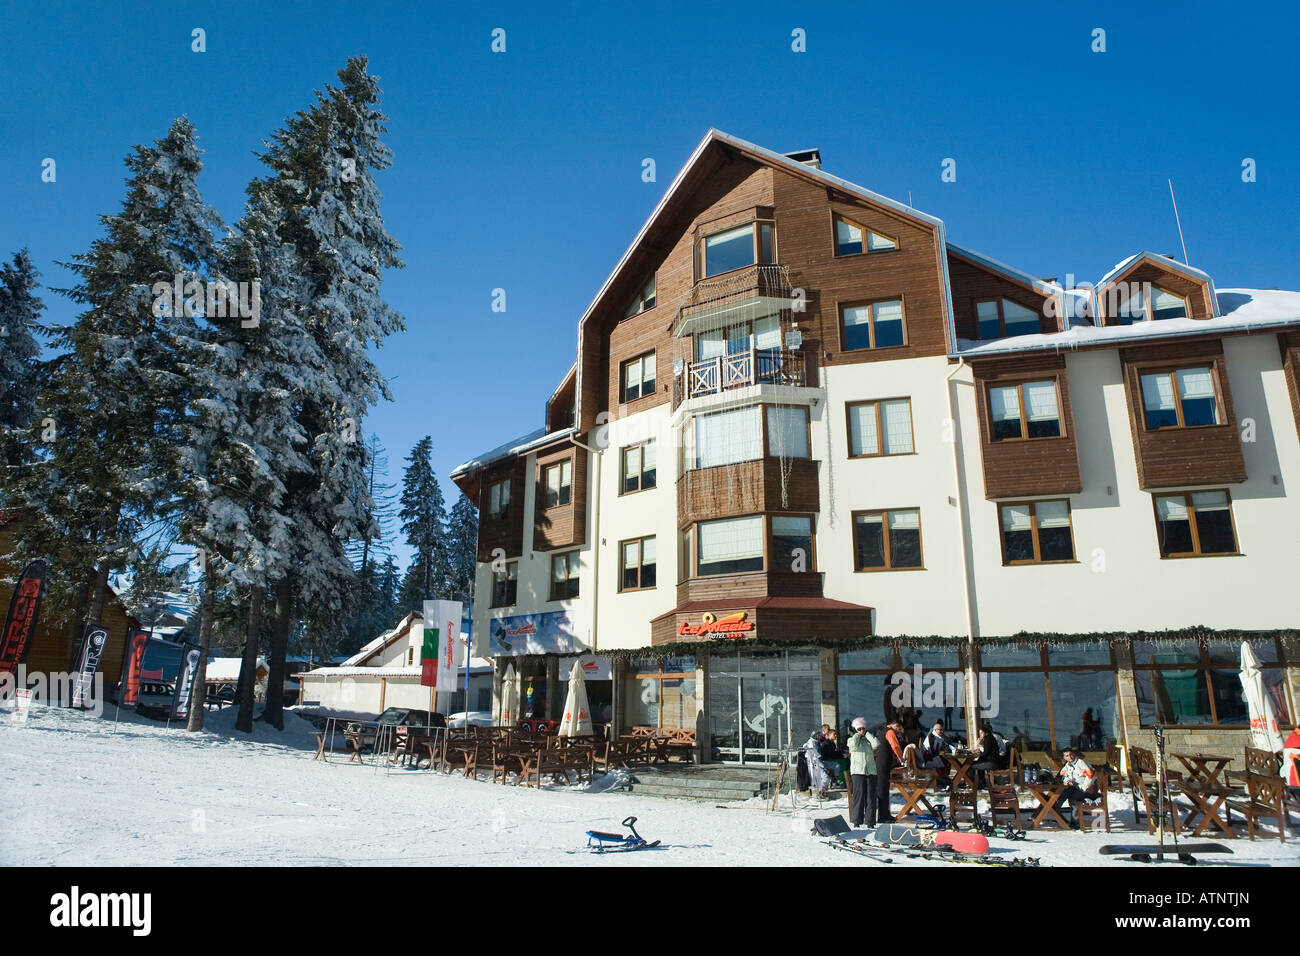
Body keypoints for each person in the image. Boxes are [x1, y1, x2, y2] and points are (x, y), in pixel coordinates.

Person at [847, 717, 879, 827]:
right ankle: (857, 820)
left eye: (863, 728)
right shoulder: (851, 739)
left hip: (870, 771)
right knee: (858, 796)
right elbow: (853, 746)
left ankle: (870, 821)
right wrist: (857, 734)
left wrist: (867, 734)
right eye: (859, 728)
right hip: (858, 772)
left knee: (870, 797)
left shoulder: (868, 740)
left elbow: (876, 744)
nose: (861, 730)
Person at [1058, 745, 1098, 829]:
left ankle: (1075, 823)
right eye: (1067, 756)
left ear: (1074, 754)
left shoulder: (1080, 763)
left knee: (1073, 799)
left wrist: (1083, 788)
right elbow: (1064, 776)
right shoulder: (1068, 765)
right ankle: (1055, 808)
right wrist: (1068, 781)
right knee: (1063, 793)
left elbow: (1090, 776)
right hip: (1075, 787)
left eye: (1071, 754)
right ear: (1064, 758)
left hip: (1086, 790)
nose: (1070, 757)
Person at [875, 719, 904, 824]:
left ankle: (885, 814)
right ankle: (883, 816)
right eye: (898, 729)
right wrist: (901, 759)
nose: (898, 732)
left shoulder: (883, 730)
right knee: (883, 788)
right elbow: (895, 746)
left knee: (884, 788)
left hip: (881, 762)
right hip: (883, 762)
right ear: (895, 725)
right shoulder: (890, 731)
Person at [919, 721, 951, 787]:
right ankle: (940, 778)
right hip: (928, 759)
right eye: (940, 730)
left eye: (942, 730)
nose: (942, 731)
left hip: (933, 756)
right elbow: (933, 750)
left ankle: (943, 777)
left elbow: (947, 742)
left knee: (947, 760)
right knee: (945, 761)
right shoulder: (931, 737)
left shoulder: (938, 736)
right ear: (935, 730)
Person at [802, 730, 832, 799]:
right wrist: (823, 767)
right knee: (821, 777)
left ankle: (820, 791)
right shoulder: (812, 742)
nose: (819, 736)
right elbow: (815, 756)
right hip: (814, 763)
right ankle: (820, 792)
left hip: (816, 763)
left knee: (819, 778)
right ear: (815, 735)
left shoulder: (815, 742)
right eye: (818, 735)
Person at [971, 724, 1001, 788]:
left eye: (981, 733)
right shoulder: (990, 738)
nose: (980, 735)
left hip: (992, 763)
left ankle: (975, 784)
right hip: (994, 761)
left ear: (985, 732)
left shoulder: (988, 740)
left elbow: (985, 753)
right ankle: (981, 783)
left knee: (971, 766)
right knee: (977, 764)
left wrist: (979, 756)